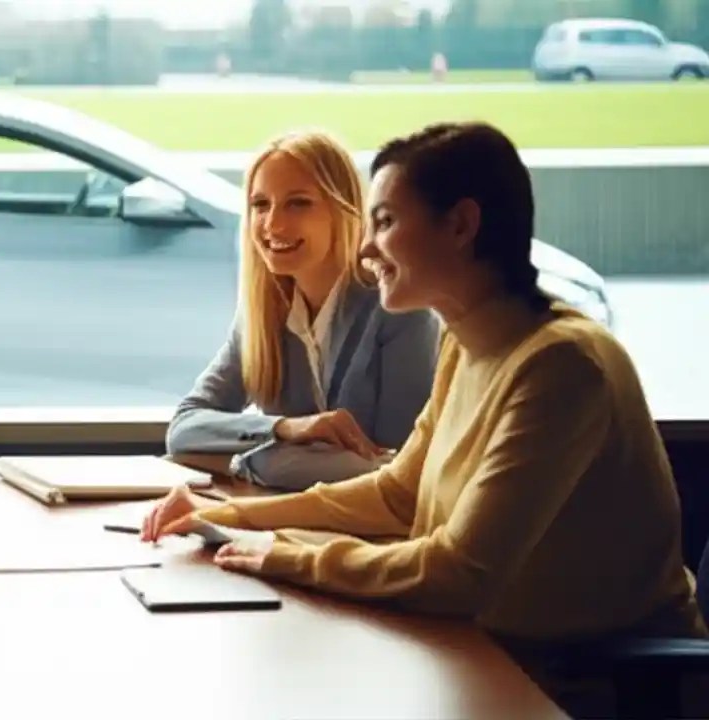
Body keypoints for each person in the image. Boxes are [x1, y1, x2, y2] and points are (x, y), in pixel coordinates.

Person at [146, 122, 707, 711]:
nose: (365, 248)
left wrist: (292, 556)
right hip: (489, 652)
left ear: (461, 225)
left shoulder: (561, 367)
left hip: (583, 683)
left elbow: (458, 572)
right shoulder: (467, 345)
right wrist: (232, 515)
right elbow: (397, 494)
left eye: (384, 222)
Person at [165, 129, 440, 491]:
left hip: (380, 531)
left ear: (344, 210)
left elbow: (397, 467)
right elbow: (183, 429)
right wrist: (285, 429)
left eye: (298, 203)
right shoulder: (264, 313)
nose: (273, 224)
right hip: (291, 522)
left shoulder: (398, 311)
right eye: (261, 205)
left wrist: (242, 459)